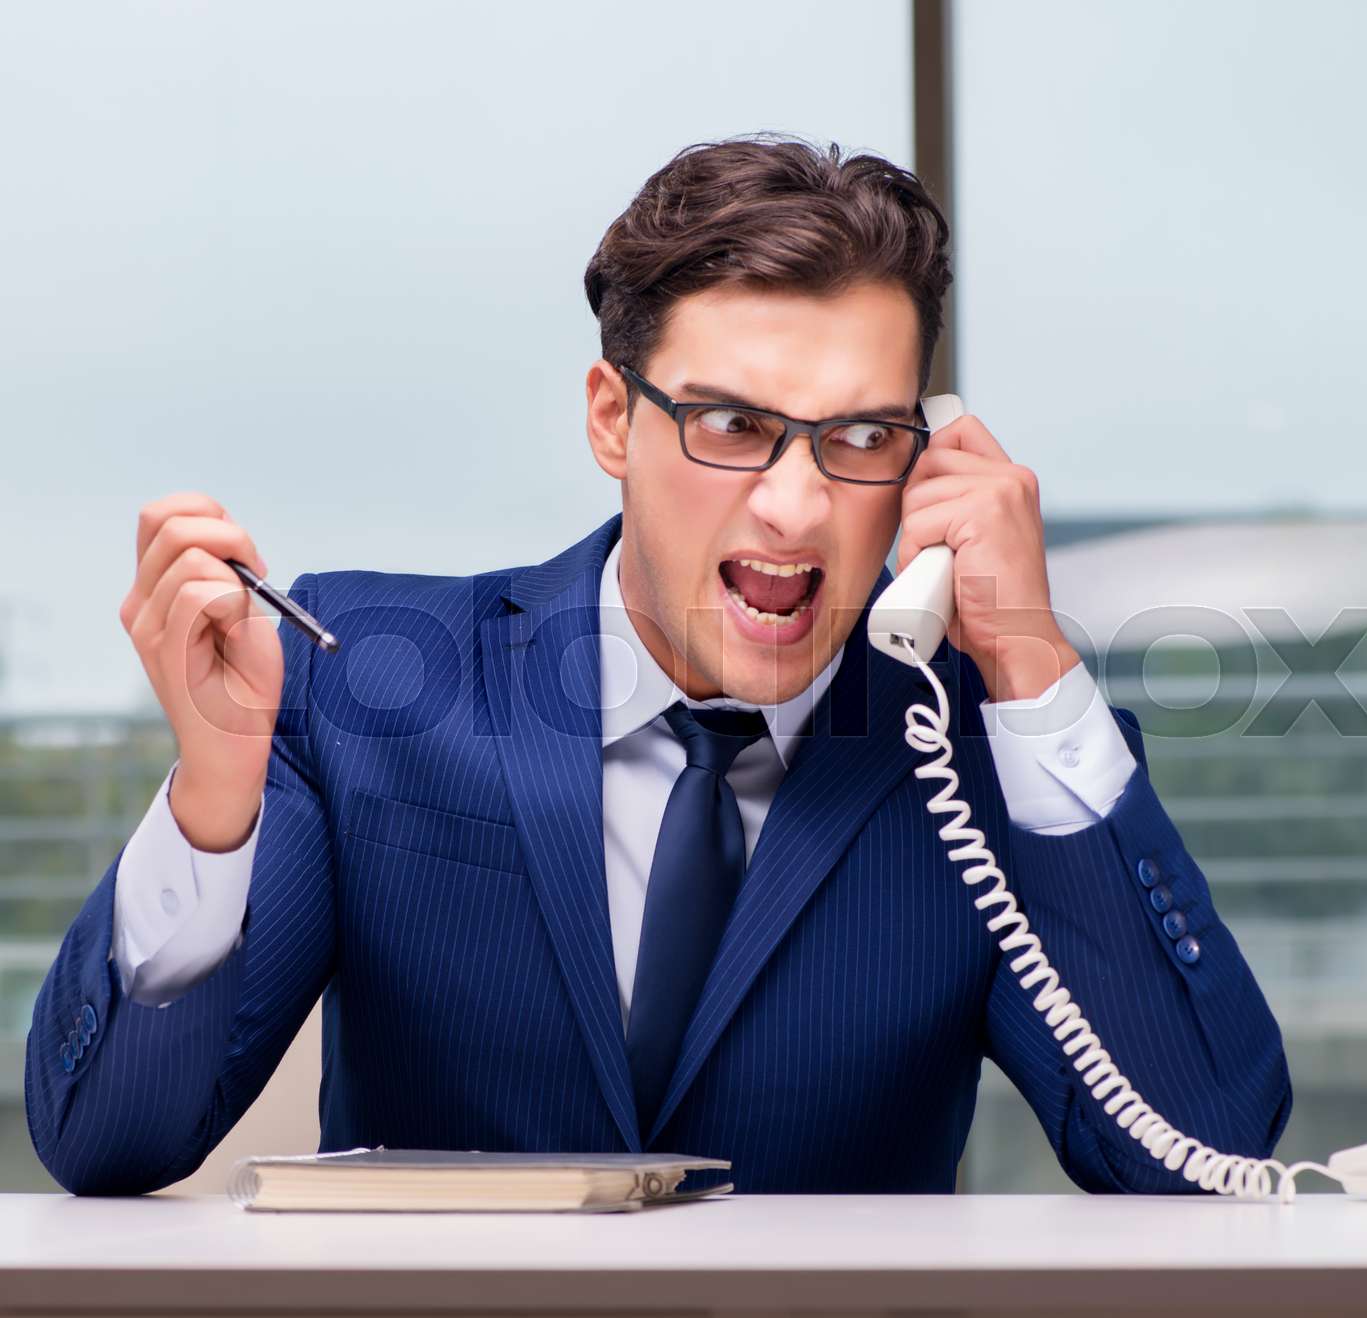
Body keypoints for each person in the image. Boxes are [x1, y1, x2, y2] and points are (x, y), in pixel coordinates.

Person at [27, 136, 1290, 1195]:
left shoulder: (975, 752)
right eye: (732, 424)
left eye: (862, 436)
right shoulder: (362, 679)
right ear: (611, 419)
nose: (795, 506)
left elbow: (1205, 1152)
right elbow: (106, 1140)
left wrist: (1032, 668)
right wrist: (215, 803)